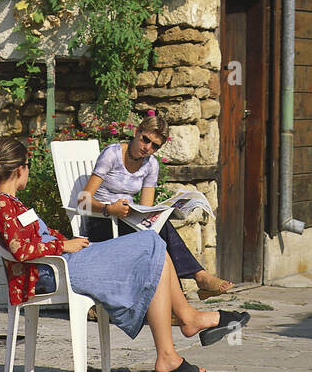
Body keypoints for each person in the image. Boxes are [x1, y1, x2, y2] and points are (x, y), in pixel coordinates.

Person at [0, 135, 249, 372]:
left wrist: (68, 243)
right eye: (28, 166)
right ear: (19, 169)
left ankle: (173, 348)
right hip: (54, 272)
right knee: (150, 243)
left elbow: (32, 240)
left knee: (154, 247)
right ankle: (185, 325)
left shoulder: (12, 203)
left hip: (65, 261)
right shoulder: (0, 205)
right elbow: (20, 250)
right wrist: (64, 244)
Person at [80, 113, 234, 296]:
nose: (148, 148)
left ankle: (184, 295)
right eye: (145, 140)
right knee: (159, 237)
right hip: (102, 221)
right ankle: (197, 278)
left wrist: (158, 213)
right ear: (137, 132)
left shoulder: (151, 164)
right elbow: (83, 201)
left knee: (158, 231)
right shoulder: (112, 154)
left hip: (126, 221)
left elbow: (146, 207)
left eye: (155, 146)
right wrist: (109, 209)